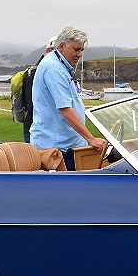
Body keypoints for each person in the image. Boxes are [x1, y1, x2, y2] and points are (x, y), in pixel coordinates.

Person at [29, 25, 106, 170]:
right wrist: (91, 139)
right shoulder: (54, 69)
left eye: (82, 50)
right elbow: (65, 108)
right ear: (62, 46)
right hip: (58, 149)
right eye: (76, 49)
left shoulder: (60, 65)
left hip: (68, 144)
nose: (80, 54)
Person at [18, 36, 56, 143]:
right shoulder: (36, 73)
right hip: (36, 128)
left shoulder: (39, 70)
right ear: (49, 51)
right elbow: (34, 103)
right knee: (37, 159)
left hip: (38, 127)